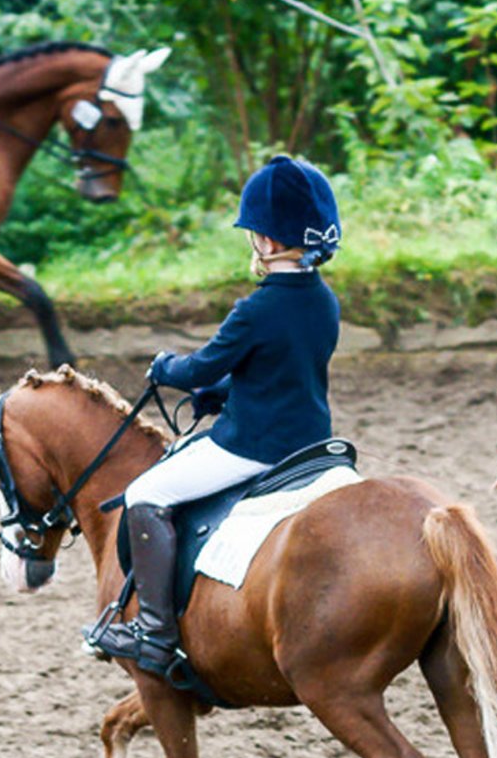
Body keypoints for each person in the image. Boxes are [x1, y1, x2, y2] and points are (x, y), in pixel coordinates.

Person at [88, 156, 344, 675]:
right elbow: (282, 368)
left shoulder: (255, 309)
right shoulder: (324, 301)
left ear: (269, 243)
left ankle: (155, 632)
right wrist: (225, 392)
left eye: (254, 234)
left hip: (252, 445)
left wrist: (165, 367)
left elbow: (198, 367)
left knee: (145, 493)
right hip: (310, 439)